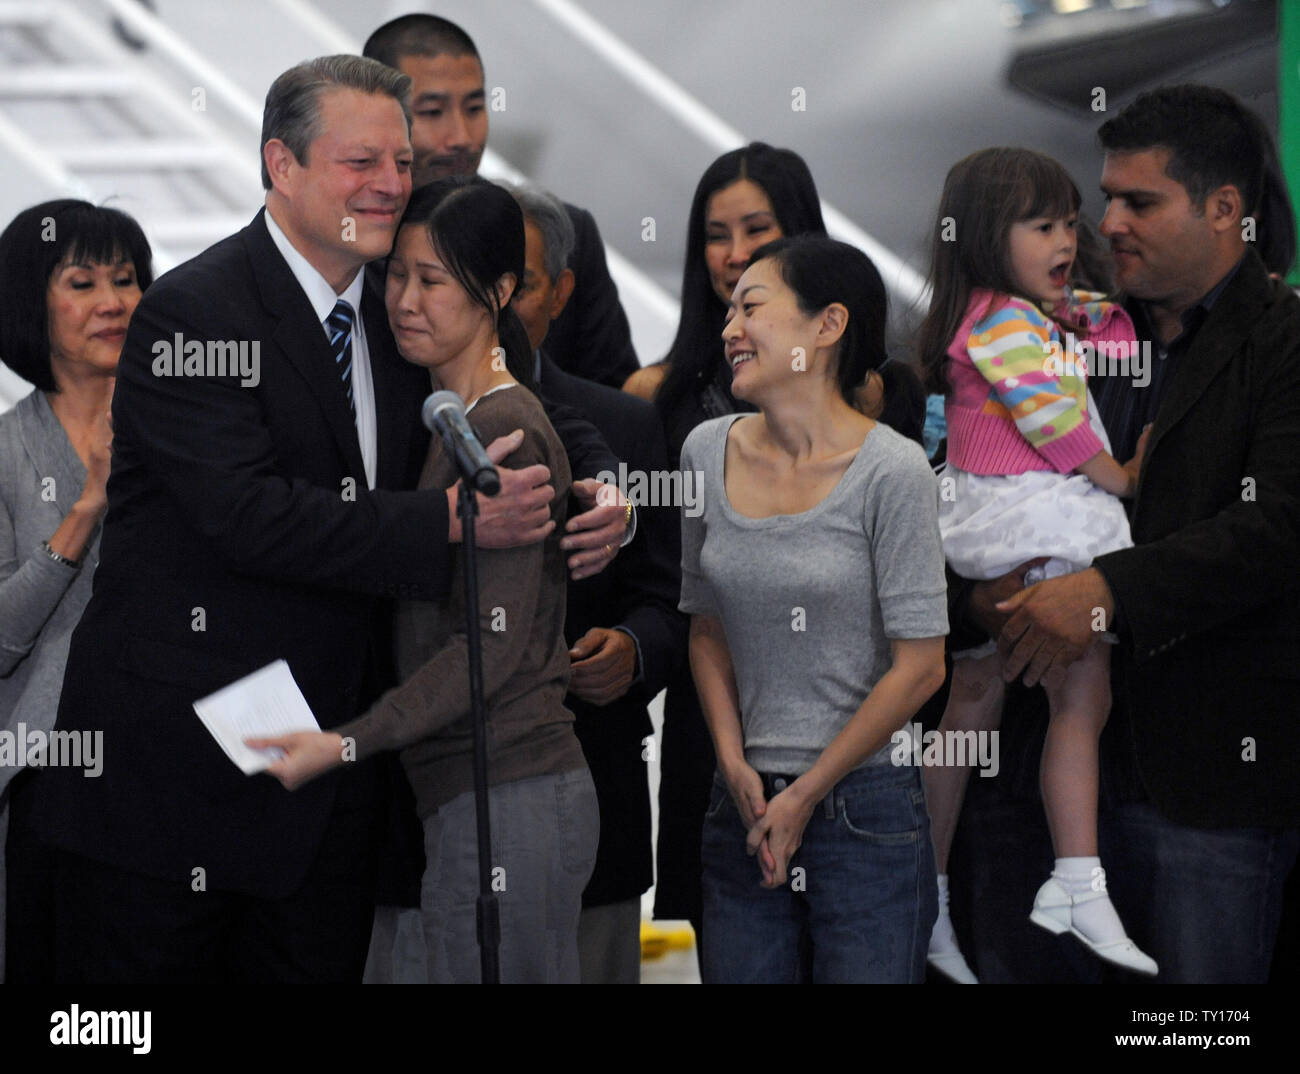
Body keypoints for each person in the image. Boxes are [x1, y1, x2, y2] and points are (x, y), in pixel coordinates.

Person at [31, 55, 612, 985]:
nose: (391, 185)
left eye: (402, 162)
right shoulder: (193, 311)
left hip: (332, 796)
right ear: (282, 165)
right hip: (172, 783)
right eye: (360, 163)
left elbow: (533, 390)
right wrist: (447, 525)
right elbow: (246, 515)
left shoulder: (400, 308)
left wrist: (606, 488)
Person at [950, 85, 1300, 984]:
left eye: (1139, 202)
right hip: (1036, 768)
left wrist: (1106, 592)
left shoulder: (1287, 340)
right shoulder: (1063, 328)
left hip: (1209, 784)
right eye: (1105, 199)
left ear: (1227, 209)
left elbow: (1279, 528)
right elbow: (972, 486)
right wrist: (981, 599)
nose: (1109, 223)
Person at [256, 176, 598, 984]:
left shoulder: (503, 425)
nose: (404, 300)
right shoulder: (448, 411)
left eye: (432, 281)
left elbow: (490, 649)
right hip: (466, 794)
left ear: (501, 290)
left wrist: (344, 742)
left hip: (510, 788)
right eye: (396, 275)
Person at [916, 147, 1156, 983]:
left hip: (984, 521)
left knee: (972, 698)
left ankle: (929, 894)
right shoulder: (1008, 326)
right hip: (1031, 511)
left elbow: (1096, 322)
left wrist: (1094, 316)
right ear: (988, 237)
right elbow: (1057, 420)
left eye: (1068, 221)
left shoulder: (993, 314)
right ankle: (1080, 880)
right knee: (1083, 693)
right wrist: (1122, 476)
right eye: (1042, 225)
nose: (1068, 237)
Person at [683, 234, 948, 983]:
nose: (731, 328)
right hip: (740, 805)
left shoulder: (893, 471)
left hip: (866, 811)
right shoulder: (706, 451)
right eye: (729, 310)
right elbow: (705, 628)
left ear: (827, 327)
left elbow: (921, 667)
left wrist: (806, 792)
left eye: (753, 307)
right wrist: (733, 762)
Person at [644, 143, 827, 949]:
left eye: (758, 227)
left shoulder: (876, 388)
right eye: (716, 234)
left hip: (839, 715)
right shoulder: (658, 396)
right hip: (710, 715)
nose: (735, 252)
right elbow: (664, 575)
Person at [509, 181, 687, 982]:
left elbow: (673, 596)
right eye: (481, 275)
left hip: (595, 784)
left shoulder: (621, 425)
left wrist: (634, 650)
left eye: (524, 279)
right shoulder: (399, 420)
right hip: (424, 817)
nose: (502, 298)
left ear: (562, 293)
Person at [0, 201, 152, 982]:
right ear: (32, 300)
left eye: (126, 281)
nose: (113, 302)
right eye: (83, 281)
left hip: (166, 765)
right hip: (44, 773)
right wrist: (86, 508)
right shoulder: (6, 449)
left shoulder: (186, 432)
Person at [363, 13, 639, 389]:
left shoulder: (556, 234)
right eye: (432, 112)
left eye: (475, 108)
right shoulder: (352, 246)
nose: (462, 136)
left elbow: (616, 406)